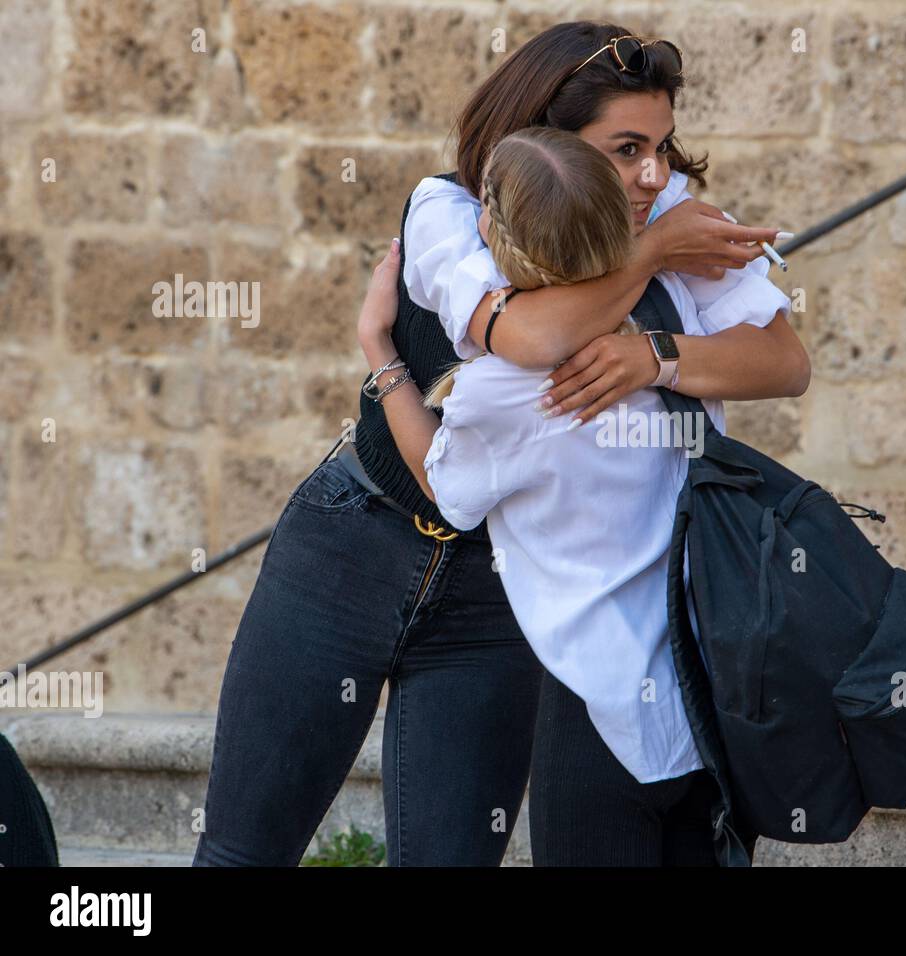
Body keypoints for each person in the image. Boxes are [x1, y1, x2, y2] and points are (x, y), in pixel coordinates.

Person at [196, 20, 806, 867]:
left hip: (499, 593)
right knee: (240, 854)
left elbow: (784, 361)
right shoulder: (449, 208)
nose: (655, 174)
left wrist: (656, 355)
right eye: (627, 148)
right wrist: (652, 255)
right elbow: (527, 337)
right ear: (545, 142)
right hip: (353, 544)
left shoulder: (662, 208)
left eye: (663, 146)